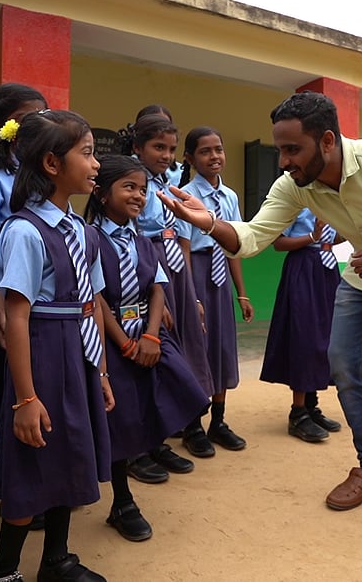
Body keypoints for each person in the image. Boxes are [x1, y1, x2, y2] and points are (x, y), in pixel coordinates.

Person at [162, 91, 362, 531]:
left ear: (327, 141)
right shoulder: (294, 185)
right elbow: (252, 238)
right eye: (280, 149)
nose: (283, 161)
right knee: (342, 361)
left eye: (292, 150)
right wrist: (208, 222)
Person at [0, 109, 113, 582]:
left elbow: (92, 303)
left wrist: (99, 373)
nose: (96, 163)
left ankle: (56, 560)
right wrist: (25, 398)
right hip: (42, 357)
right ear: (52, 164)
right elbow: (15, 316)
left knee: (69, 457)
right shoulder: (23, 231)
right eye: (87, 153)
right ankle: (2, 574)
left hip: (78, 357)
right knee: (33, 462)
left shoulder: (82, 231)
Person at [86, 154, 210, 542]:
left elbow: (158, 287)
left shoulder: (142, 239)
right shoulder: (89, 237)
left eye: (142, 189)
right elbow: (94, 295)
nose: (139, 195)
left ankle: (156, 446)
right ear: (102, 193)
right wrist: (124, 342)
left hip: (146, 333)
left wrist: (153, 336)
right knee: (120, 419)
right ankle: (123, 502)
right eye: (128, 187)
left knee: (182, 389)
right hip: (111, 339)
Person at [125, 114, 211, 471]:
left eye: (172, 149)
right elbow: (129, 238)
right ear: (137, 148)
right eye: (158, 147)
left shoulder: (169, 181)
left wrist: (189, 293)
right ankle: (139, 444)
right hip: (148, 268)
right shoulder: (132, 183)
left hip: (175, 268)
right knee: (152, 351)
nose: (166, 155)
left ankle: (167, 431)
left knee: (183, 346)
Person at [0, 83, 48, 457]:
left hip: (47, 292)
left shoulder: (45, 172)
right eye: (24, 119)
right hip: (12, 290)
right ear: (5, 125)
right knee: (18, 383)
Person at [178, 126, 255, 450]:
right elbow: (183, 247)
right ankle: (193, 425)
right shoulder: (184, 193)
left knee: (222, 346)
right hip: (195, 272)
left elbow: (233, 244)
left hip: (221, 274)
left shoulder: (230, 196)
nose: (215, 156)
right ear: (190, 158)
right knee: (197, 347)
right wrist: (190, 294)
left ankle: (218, 421)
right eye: (206, 151)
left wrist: (242, 292)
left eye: (219, 149)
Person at [260, 207, 344, 442]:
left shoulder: (331, 199)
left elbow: (331, 238)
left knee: (323, 338)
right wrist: (311, 237)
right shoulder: (296, 201)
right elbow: (279, 243)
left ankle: (311, 405)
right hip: (303, 268)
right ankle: (297, 414)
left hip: (326, 270)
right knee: (304, 337)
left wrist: (346, 234)